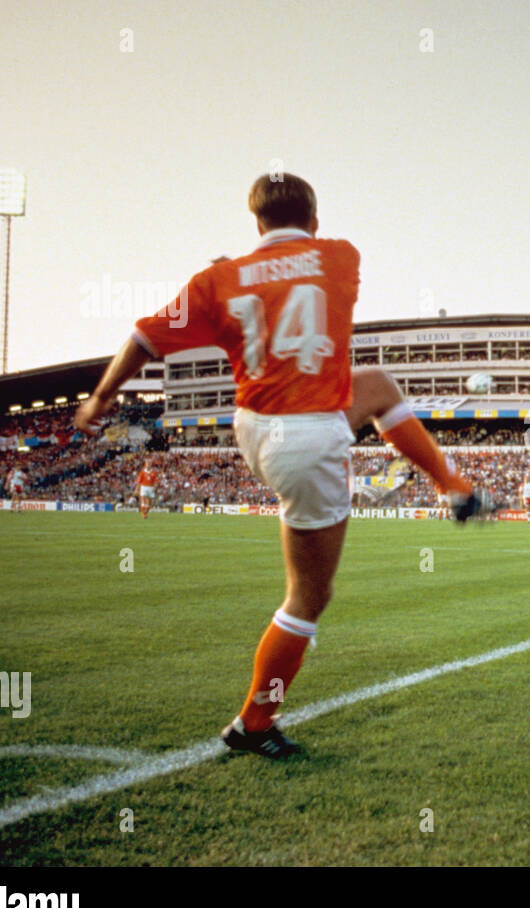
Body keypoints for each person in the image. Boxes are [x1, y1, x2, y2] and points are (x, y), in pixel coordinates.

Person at [75, 173, 485, 759]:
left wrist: (101, 395)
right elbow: (296, 279)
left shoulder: (218, 279)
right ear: (314, 220)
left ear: (256, 223)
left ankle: (453, 486)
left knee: (376, 386)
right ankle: (253, 723)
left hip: (257, 427)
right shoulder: (340, 256)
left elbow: (143, 336)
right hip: (310, 436)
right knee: (308, 598)